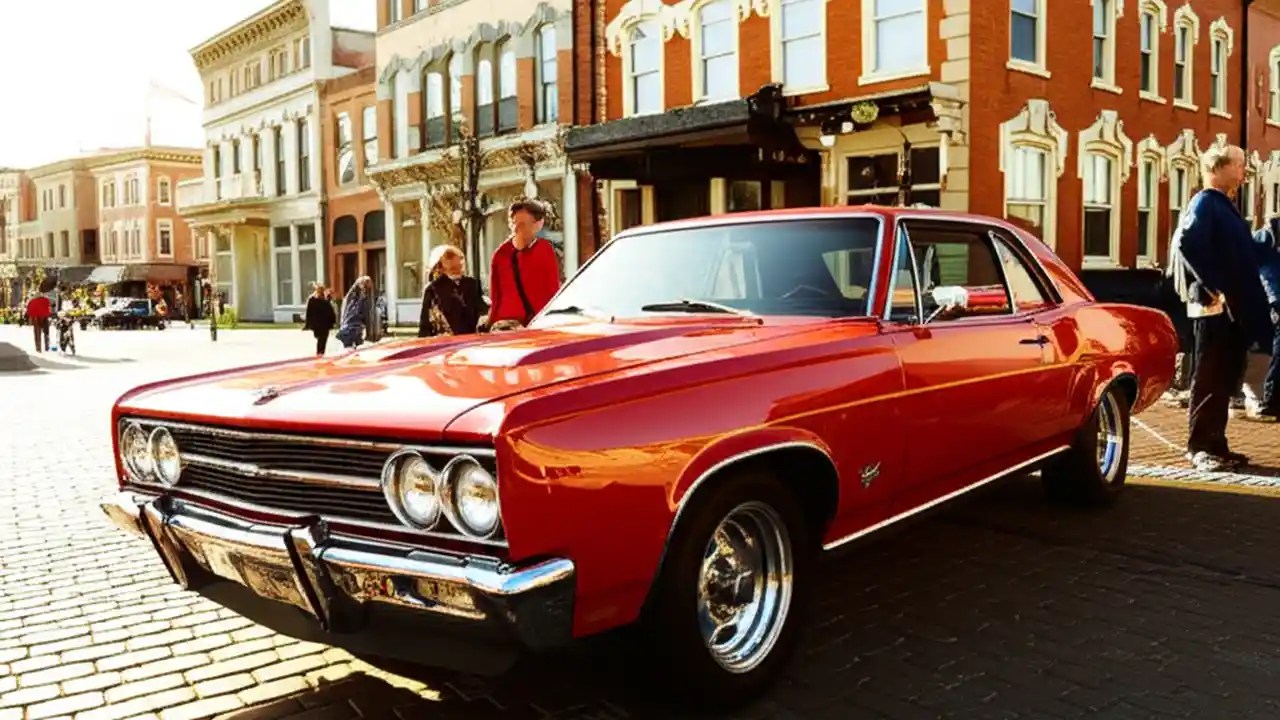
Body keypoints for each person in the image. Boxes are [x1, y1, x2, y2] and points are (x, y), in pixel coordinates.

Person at [1168, 144, 1273, 471]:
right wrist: (1215, 288)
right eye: (1240, 166)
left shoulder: (1222, 206)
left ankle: (1217, 444)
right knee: (1210, 378)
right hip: (1214, 311)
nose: (1244, 174)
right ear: (1219, 167)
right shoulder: (1205, 203)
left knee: (1225, 378)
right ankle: (1199, 447)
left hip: (1231, 313)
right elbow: (1188, 242)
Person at [486, 199, 561, 331]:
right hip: (506, 323)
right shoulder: (502, 253)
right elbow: (495, 294)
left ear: (538, 224)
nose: (517, 229)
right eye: (514, 223)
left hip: (537, 324)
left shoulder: (544, 249)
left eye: (523, 224)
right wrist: (491, 322)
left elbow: (552, 288)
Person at [418, 245, 487, 337]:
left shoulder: (471, 283)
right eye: (448, 257)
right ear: (440, 263)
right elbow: (425, 320)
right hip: (446, 339)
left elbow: (480, 307)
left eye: (456, 257)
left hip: (471, 336)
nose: (453, 260)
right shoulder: (434, 288)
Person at [336, 276, 373, 349]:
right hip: (352, 329)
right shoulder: (361, 299)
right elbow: (366, 315)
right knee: (351, 350)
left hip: (348, 328)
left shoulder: (350, 298)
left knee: (350, 349)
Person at [303, 282, 338, 356]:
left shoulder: (317, 300)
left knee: (321, 339)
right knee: (322, 339)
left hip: (321, 324)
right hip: (321, 324)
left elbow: (330, 312)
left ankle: (320, 353)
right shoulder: (316, 300)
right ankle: (320, 353)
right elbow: (309, 313)